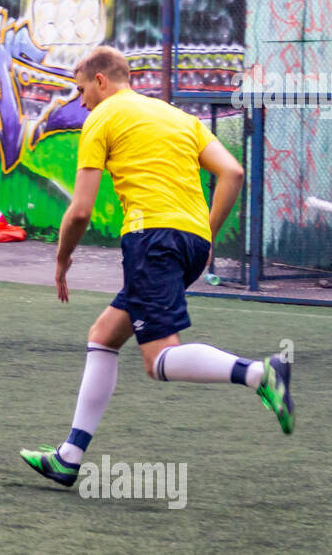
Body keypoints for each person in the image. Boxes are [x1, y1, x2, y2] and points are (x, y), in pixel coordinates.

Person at [20, 46, 294, 487]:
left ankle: (260, 373)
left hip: (151, 241)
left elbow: (80, 212)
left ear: (101, 81)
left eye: (81, 89)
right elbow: (233, 174)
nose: (80, 100)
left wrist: (62, 257)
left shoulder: (103, 118)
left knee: (158, 358)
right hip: (188, 241)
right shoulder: (178, 118)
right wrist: (205, 236)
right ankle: (69, 456)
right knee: (103, 336)